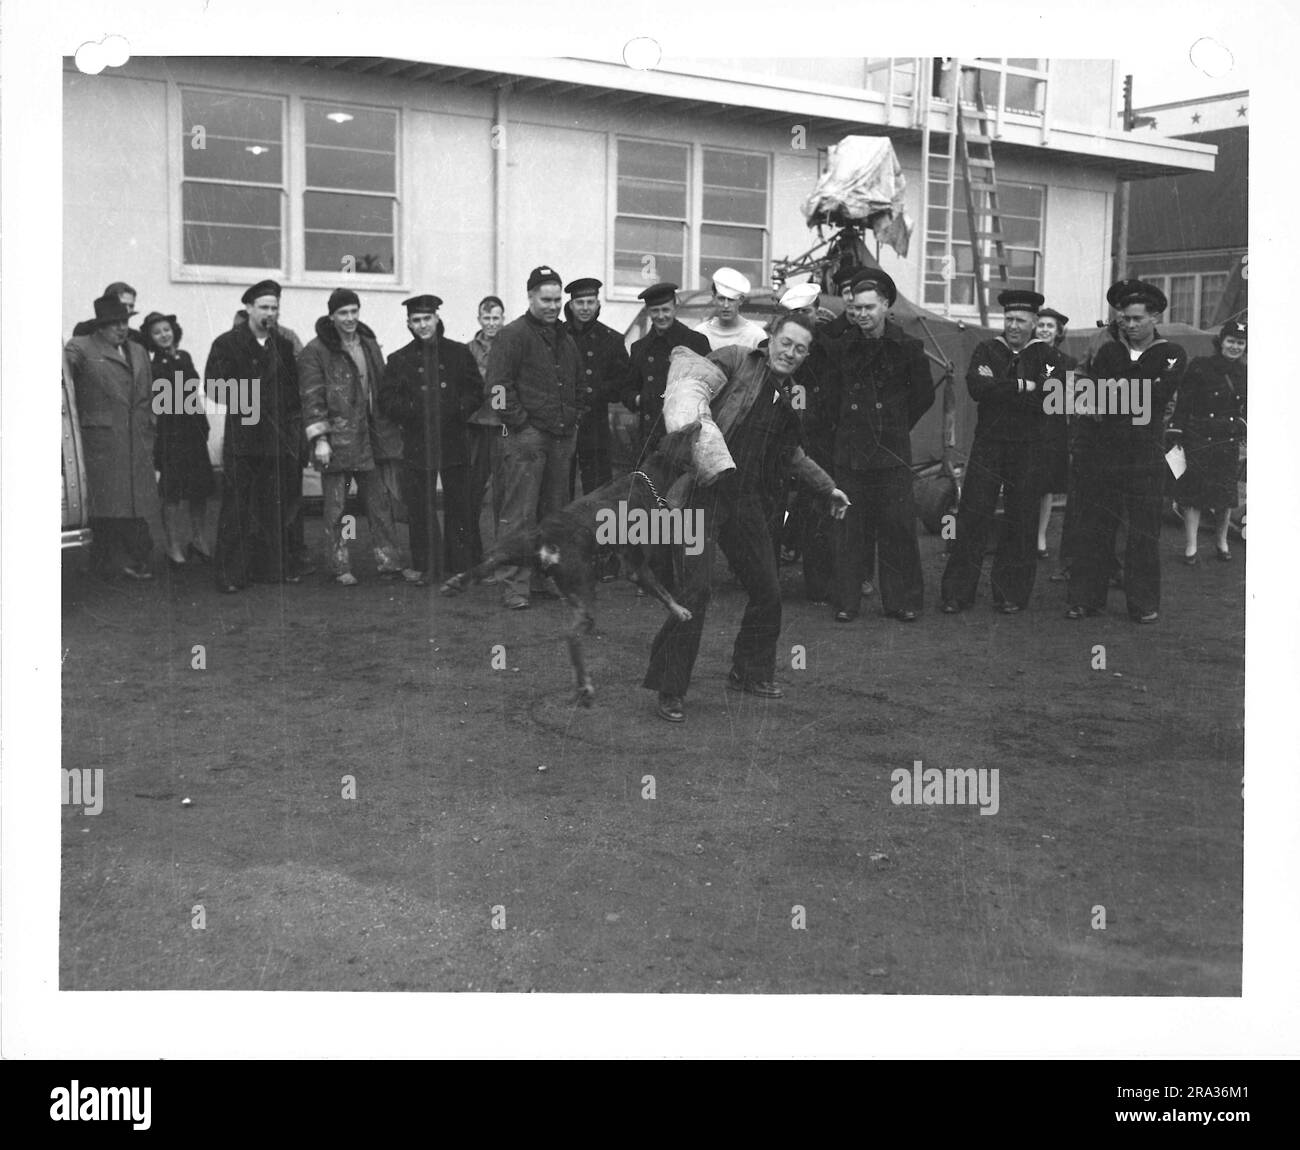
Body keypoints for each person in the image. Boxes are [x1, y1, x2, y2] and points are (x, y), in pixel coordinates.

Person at [642, 313, 850, 723]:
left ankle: (748, 672)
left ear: (807, 354)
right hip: (702, 494)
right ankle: (669, 688)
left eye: (800, 348)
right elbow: (694, 380)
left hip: (744, 501)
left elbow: (792, 454)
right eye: (785, 342)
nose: (790, 353)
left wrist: (828, 486)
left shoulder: (792, 395)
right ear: (769, 338)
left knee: (768, 589)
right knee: (695, 591)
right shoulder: (737, 359)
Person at [1066, 279, 1188, 623]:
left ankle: (1143, 602)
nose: (1129, 325)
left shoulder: (1172, 354)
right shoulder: (1107, 351)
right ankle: (1086, 599)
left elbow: (1157, 397)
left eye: (1136, 318)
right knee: (1094, 526)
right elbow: (1078, 394)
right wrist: (1126, 393)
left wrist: (1111, 394)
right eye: (1124, 318)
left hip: (1145, 454)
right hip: (1103, 453)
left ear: (1155, 317)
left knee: (1143, 531)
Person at [940, 289, 1065, 615]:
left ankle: (1010, 593)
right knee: (973, 514)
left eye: (1020, 320)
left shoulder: (1048, 358)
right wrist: (1025, 386)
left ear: (1035, 323)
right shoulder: (987, 349)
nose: (1012, 326)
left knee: (1021, 518)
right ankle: (957, 593)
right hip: (989, 446)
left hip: (1028, 448)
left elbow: (1049, 400)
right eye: (1008, 319)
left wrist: (1003, 388)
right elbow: (978, 388)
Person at [825, 269, 935, 622]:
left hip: (890, 452)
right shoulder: (842, 348)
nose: (861, 315)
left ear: (886, 305)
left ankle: (902, 601)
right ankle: (846, 601)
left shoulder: (907, 347)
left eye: (869, 308)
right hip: (851, 451)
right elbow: (830, 399)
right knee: (849, 528)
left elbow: (923, 396)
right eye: (856, 308)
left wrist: (895, 426)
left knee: (898, 527)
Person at [487, 266, 586, 609]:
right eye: (546, 299)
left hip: (560, 439)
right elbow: (497, 390)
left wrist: (573, 418)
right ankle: (514, 586)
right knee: (519, 515)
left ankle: (546, 578)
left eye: (558, 299)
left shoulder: (565, 337)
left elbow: (574, 384)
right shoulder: (511, 336)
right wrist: (520, 425)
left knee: (554, 516)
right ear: (530, 297)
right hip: (526, 440)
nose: (553, 306)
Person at [299, 288, 404, 586]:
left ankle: (389, 561)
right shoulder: (315, 351)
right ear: (331, 316)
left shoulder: (369, 344)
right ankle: (339, 564)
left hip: (371, 440)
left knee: (380, 504)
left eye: (354, 311)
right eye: (343, 313)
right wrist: (320, 439)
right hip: (337, 442)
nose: (349, 318)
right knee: (337, 507)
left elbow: (381, 390)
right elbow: (312, 398)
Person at [206, 280, 303, 592]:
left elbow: (292, 395)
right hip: (244, 440)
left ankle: (268, 569)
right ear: (248, 308)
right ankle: (229, 574)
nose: (270, 313)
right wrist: (251, 398)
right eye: (264, 307)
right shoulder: (226, 344)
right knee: (236, 508)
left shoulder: (284, 347)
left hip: (274, 441)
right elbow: (213, 388)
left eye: (274, 308)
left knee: (271, 507)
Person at [379, 294, 482, 583]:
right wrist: (413, 410)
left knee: (459, 502)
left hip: (453, 437)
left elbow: (476, 390)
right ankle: (427, 566)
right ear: (409, 324)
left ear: (437, 319)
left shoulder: (459, 354)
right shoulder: (399, 359)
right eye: (416, 320)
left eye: (427, 319)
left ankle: (460, 563)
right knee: (420, 505)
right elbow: (387, 400)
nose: (422, 325)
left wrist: (458, 409)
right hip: (417, 440)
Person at [64, 294, 159, 579]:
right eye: (114, 323)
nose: (121, 328)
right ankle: (107, 563)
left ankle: (132, 559)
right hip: (102, 442)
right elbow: (62, 376)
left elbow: (151, 391)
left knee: (134, 503)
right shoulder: (80, 347)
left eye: (125, 322)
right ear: (100, 326)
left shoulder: (138, 350)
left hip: (137, 439)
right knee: (105, 505)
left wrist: (151, 423)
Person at [1169, 319, 1247, 564]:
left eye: (1241, 343)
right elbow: (1184, 401)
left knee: (1225, 496)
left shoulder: (1246, 372)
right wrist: (1176, 430)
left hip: (1227, 436)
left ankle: (1221, 542)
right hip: (1199, 435)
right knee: (1194, 494)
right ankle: (1191, 546)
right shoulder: (1201, 366)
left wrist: (1243, 426)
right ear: (1221, 342)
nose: (1235, 347)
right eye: (1231, 341)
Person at [141, 311, 214, 568]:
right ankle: (172, 545)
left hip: (193, 430)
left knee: (199, 490)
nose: (164, 335)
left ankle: (198, 539)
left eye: (167, 329)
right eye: (157, 332)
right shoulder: (154, 366)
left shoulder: (185, 356)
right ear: (150, 338)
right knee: (172, 492)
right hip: (170, 433)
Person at [620, 282, 712, 456]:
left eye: (665, 309)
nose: (661, 316)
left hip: (685, 435)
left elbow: (712, 386)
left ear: (674, 308)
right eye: (655, 311)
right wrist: (640, 400)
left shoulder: (695, 342)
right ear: (648, 312)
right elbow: (627, 390)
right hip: (650, 436)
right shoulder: (640, 348)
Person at [1032, 307, 1076, 566]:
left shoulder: (1067, 362)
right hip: (1026, 427)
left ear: (1058, 332)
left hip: (1053, 429)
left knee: (1047, 486)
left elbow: (1069, 401)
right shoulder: (1024, 356)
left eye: (1050, 326)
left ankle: (1040, 537)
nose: (1045, 330)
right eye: (1041, 325)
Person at [465, 295, 506, 564]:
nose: (491, 323)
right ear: (479, 319)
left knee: (502, 495)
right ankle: (473, 556)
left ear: (503, 319)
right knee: (473, 491)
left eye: (496, 318)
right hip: (476, 427)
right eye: (487, 318)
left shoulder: (511, 345)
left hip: (503, 427)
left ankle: (501, 555)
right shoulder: (468, 349)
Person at [694, 267, 768, 351]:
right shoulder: (700, 333)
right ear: (714, 299)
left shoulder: (756, 336)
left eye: (731, 300)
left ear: (741, 300)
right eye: (721, 299)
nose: (726, 305)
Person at [71, 281, 147, 345]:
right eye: (122, 305)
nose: (127, 310)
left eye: (131, 306)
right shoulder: (85, 330)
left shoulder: (136, 337)